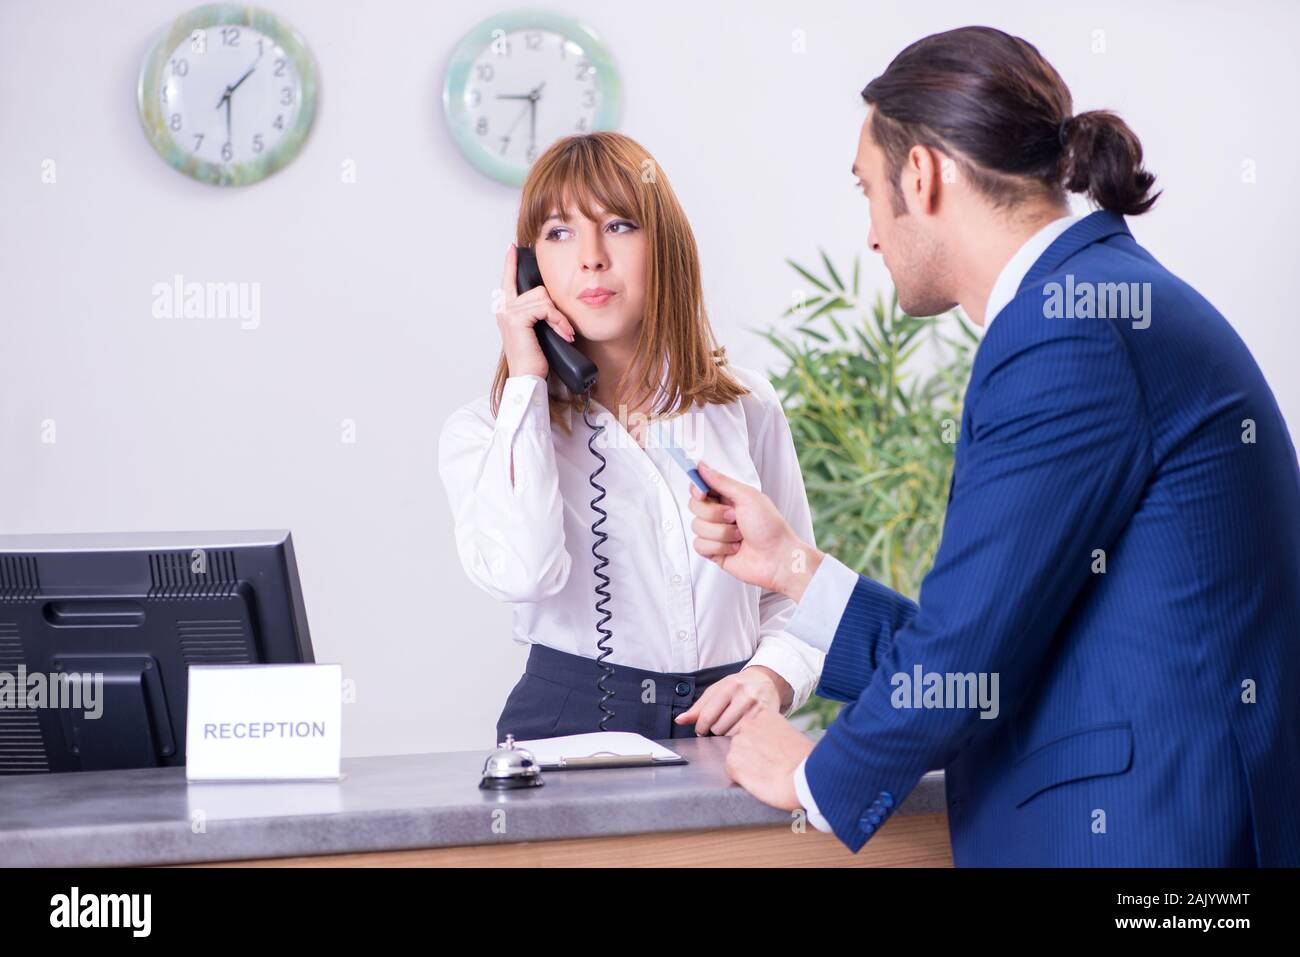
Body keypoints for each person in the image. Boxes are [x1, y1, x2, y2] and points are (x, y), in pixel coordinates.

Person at [685, 26, 1300, 866]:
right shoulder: (1095, 301)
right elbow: (998, 645)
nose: (868, 233)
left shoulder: (1067, 329)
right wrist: (792, 564)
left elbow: (965, 649)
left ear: (921, 173)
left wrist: (813, 776)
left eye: (866, 189)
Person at [438, 131, 824, 744]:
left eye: (618, 225)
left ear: (662, 245)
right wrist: (529, 386)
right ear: (528, 270)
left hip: (726, 719)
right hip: (570, 721)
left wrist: (772, 676)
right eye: (560, 233)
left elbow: (796, 580)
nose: (591, 257)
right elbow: (522, 575)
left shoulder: (745, 405)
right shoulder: (487, 429)